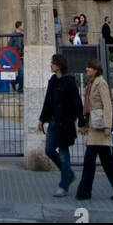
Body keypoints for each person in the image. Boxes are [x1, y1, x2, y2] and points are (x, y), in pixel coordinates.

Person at [75, 60, 113, 201]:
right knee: (106, 161)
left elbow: (107, 105)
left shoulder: (101, 83)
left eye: (89, 68)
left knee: (91, 160)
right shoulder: (92, 83)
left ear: (96, 70)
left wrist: (107, 126)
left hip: (100, 127)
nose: (87, 70)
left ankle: (84, 192)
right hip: (95, 126)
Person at [38, 53, 84, 196]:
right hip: (53, 121)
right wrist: (42, 119)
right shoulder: (53, 80)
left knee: (64, 153)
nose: (51, 65)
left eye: (53, 63)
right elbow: (48, 101)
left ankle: (64, 185)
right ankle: (69, 173)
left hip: (65, 123)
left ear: (59, 65)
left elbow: (77, 102)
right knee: (49, 150)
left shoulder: (69, 82)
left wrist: (81, 121)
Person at [7, 21, 24, 94]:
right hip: (15, 56)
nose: (23, 27)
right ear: (19, 26)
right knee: (21, 72)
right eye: (22, 25)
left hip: (21, 56)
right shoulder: (13, 35)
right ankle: (20, 88)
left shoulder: (22, 35)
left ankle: (14, 82)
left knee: (22, 73)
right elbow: (9, 46)